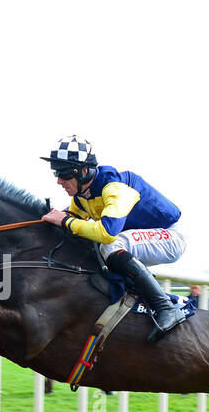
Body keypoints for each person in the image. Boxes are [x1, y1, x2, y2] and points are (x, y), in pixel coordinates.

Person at [38, 135, 189, 342]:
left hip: (171, 236)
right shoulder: (83, 196)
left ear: (83, 172)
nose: (58, 181)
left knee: (110, 244)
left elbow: (107, 232)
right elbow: (71, 219)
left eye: (63, 174)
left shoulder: (115, 188)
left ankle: (166, 307)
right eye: (56, 173)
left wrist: (64, 221)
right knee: (91, 244)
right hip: (144, 237)